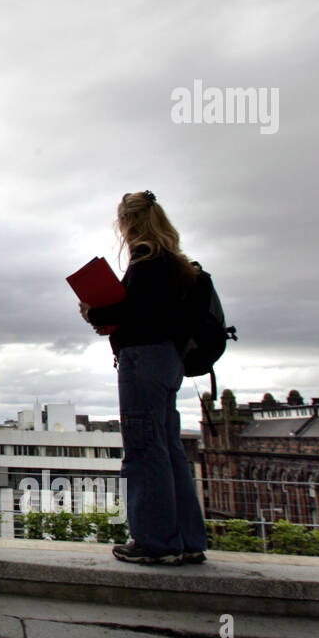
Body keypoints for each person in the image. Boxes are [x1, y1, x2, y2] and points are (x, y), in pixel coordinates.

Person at [77, 190, 209, 565]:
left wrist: (92, 310)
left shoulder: (145, 260)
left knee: (143, 448)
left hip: (142, 361)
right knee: (168, 449)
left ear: (128, 222)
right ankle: (186, 539)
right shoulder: (175, 263)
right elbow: (153, 314)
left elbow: (130, 313)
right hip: (168, 360)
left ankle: (155, 541)